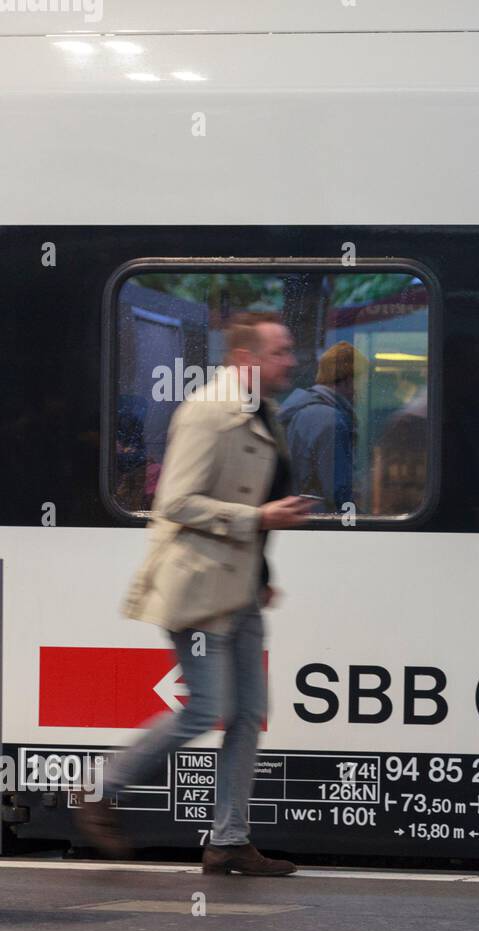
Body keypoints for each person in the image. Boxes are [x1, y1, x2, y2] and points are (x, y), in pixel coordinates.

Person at [77, 312, 314, 875]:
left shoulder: (264, 411)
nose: (292, 360)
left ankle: (228, 840)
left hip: (240, 587)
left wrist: (260, 572)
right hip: (200, 587)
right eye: (279, 351)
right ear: (244, 358)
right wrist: (257, 516)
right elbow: (175, 502)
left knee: (248, 712)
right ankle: (102, 789)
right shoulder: (211, 412)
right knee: (209, 708)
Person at [279, 340, 365, 511]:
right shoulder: (332, 421)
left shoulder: (301, 411)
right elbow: (338, 492)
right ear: (349, 380)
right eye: (361, 380)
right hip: (321, 521)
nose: (361, 390)